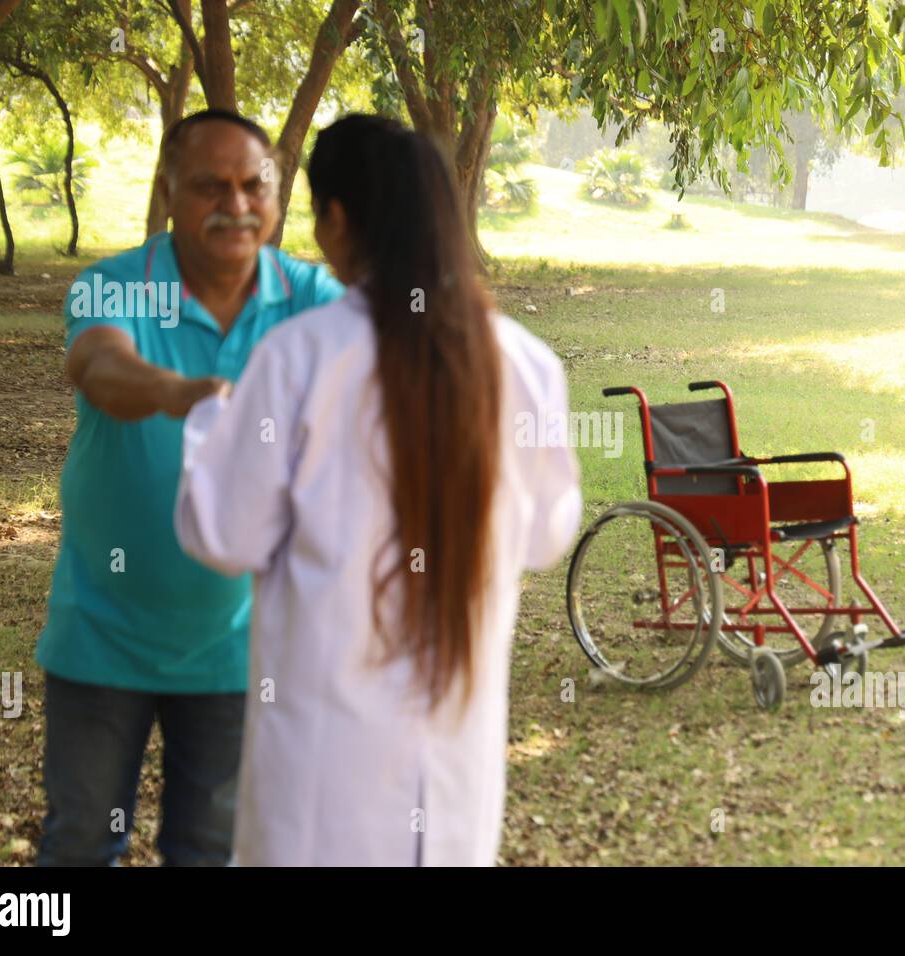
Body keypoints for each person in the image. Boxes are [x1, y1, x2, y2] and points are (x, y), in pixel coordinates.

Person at [173, 114, 582, 866]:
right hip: (451, 790)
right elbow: (549, 534)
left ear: (336, 221)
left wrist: (209, 420)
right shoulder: (522, 364)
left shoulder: (299, 359)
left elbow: (225, 535)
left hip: (322, 793)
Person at [34, 109, 345, 866]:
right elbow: (99, 368)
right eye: (211, 187)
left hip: (243, 648)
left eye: (253, 185)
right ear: (169, 188)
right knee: (79, 844)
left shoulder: (313, 297)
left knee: (210, 850)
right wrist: (179, 393)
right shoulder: (113, 286)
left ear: (278, 194)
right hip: (102, 635)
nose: (235, 206)